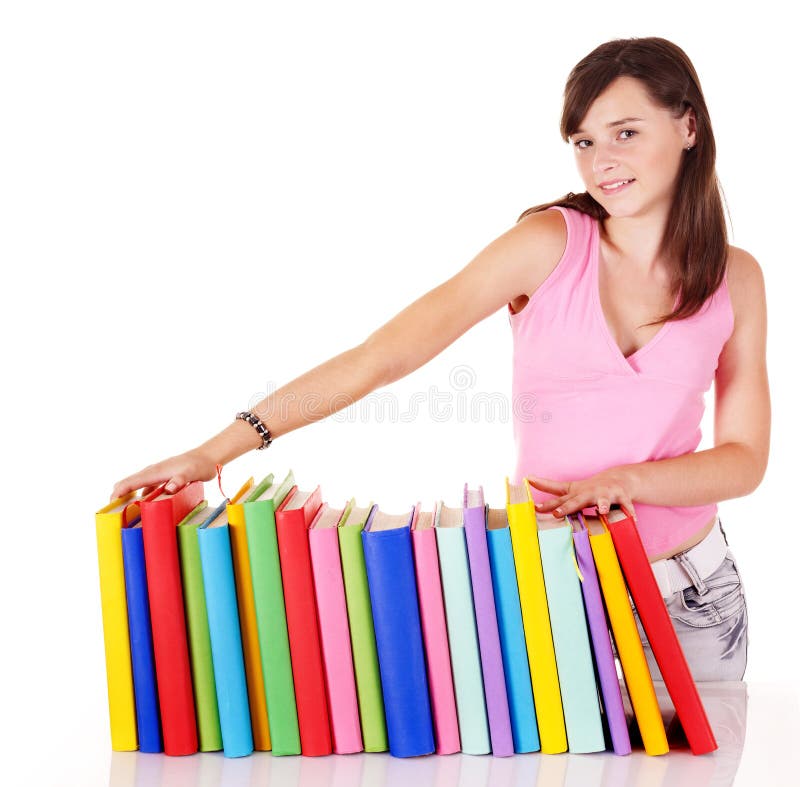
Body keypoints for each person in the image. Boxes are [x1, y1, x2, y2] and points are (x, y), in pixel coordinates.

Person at [111, 37, 768, 681]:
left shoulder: (735, 280)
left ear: (687, 125)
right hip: (557, 594)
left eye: (624, 132)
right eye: (583, 140)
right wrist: (217, 450)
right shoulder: (547, 246)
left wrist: (629, 481)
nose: (600, 161)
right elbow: (381, 357)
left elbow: (744, 459)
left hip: (696, 597)